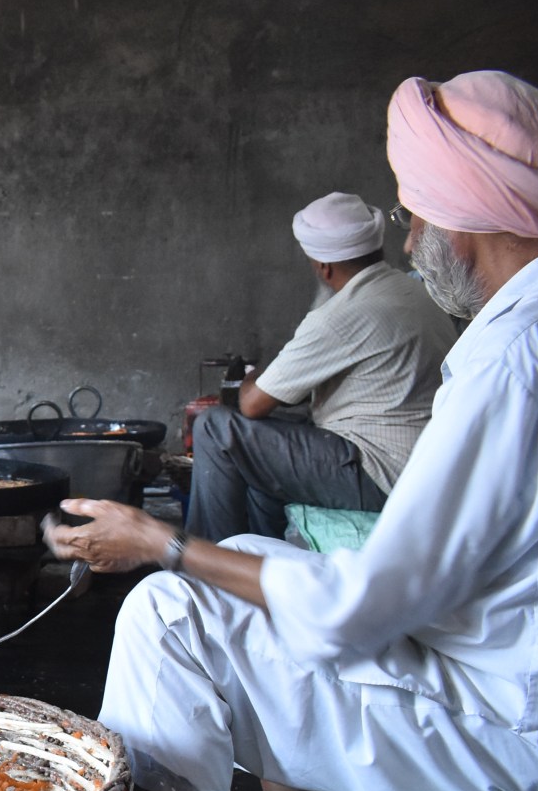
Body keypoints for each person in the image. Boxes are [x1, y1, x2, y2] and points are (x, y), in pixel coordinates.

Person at [43, 70, 538, 791]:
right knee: (277, 564)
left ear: (472, 214)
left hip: (518, 722)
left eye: (416, 215)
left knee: (170, 614)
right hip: (537, 673)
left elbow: (357, 616)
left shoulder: (516, 357)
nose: (412, 240)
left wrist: (159, 542)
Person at [187, 193, 455, 541]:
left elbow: (252, 404)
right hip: (428, 464)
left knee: (215, 429)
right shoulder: (416, 292)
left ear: (323, 266)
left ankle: (205, 567)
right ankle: (262, 558)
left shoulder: (341, 315)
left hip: (382, 473)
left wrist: (253, 377)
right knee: (261, 457)